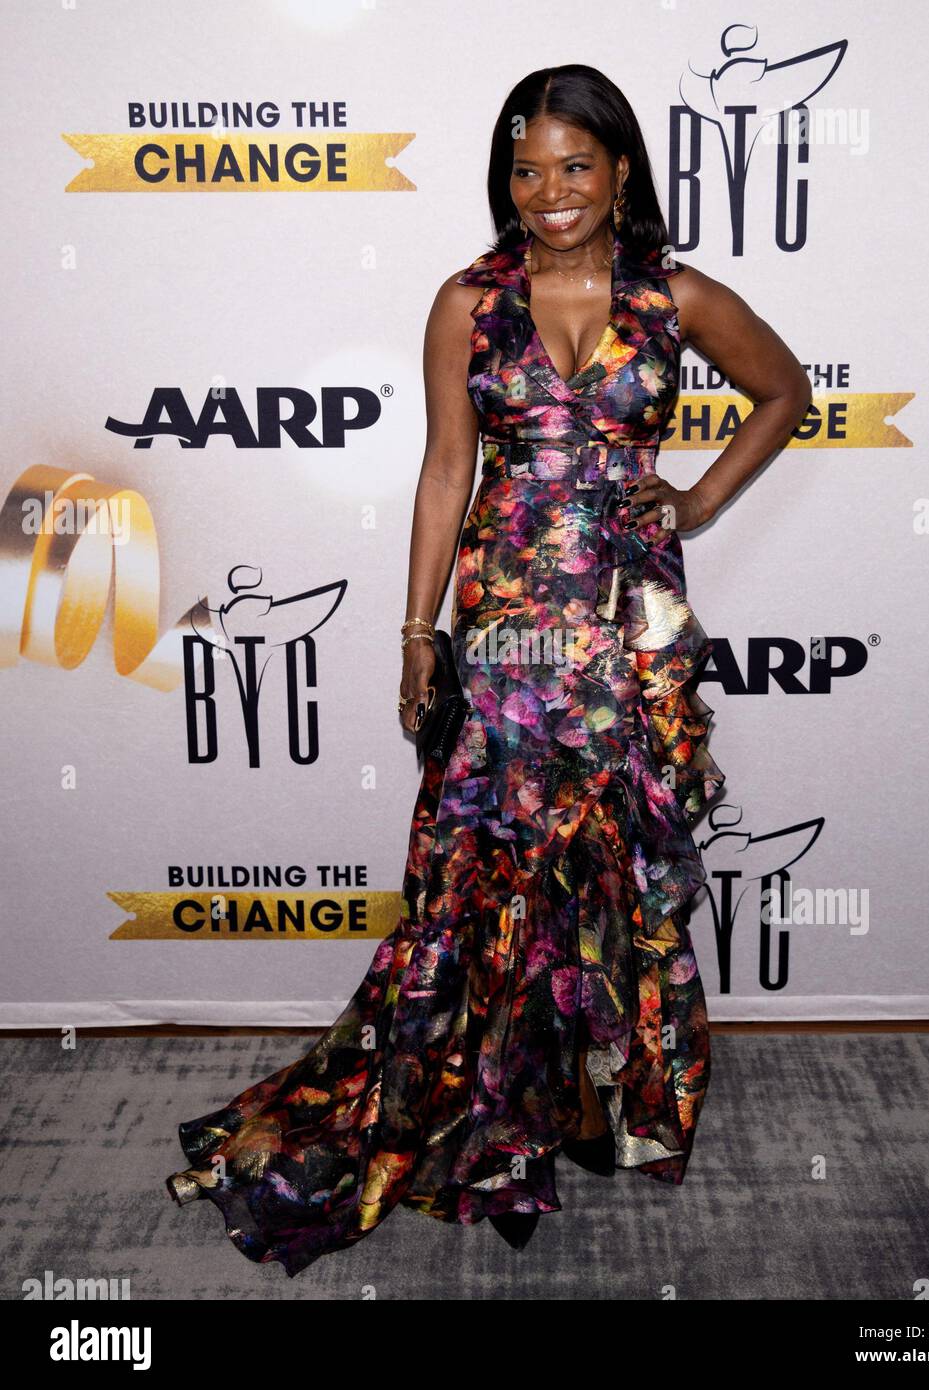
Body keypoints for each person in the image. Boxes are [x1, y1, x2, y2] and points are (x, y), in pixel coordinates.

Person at [165, 64, 811, 1276]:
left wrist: (700, 500)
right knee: (496, 860)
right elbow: (441, 472)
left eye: (575, 166)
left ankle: (604, 1103)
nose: (550, 192)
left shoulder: (676, 297)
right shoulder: (468, 300)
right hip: (510, 617)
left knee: (624, 856)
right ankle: (496, 1108)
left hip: (627, 621)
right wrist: (418, 633)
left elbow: (781, 391)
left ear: (621, 170)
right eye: (527, 170)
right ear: (503, 179)